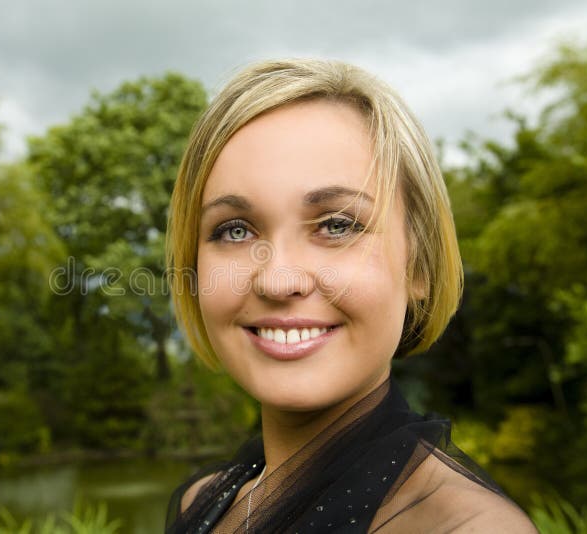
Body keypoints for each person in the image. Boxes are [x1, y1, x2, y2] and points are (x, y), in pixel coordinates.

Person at [162, 59, 537, 533]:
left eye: (337, 225)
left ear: (419, 265)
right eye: (235, 230)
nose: (277, 280)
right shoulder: (205, 502)